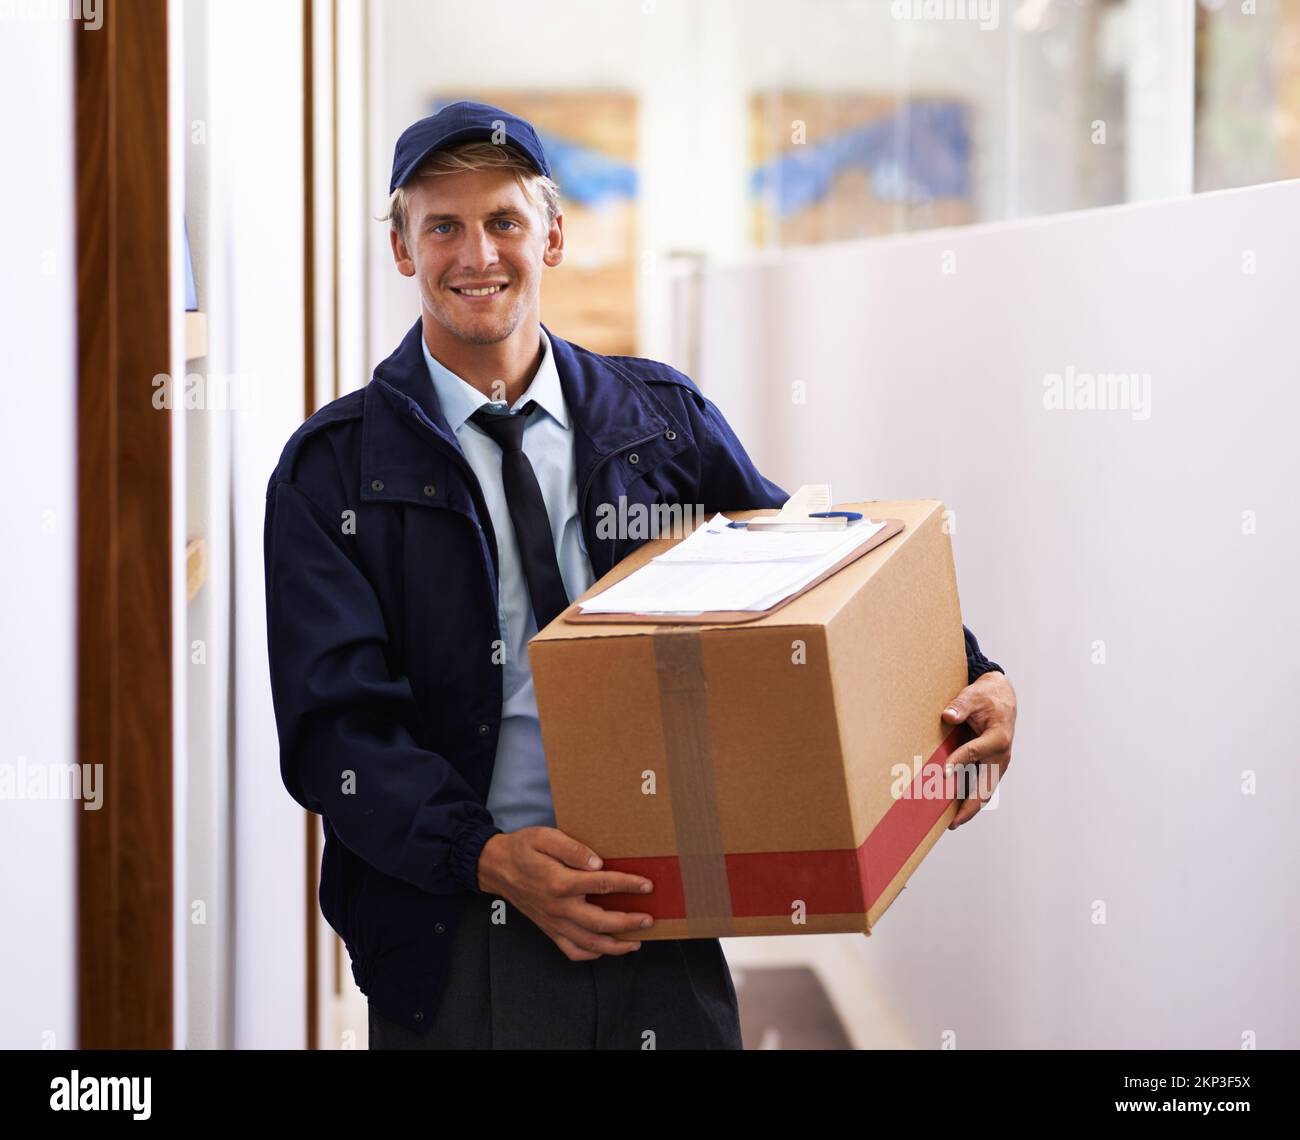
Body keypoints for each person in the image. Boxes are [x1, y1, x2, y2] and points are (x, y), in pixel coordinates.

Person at [262, 100, 1018, 1050]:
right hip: (453, 930)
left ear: (554, 236)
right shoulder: (331, 469)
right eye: (442, 226)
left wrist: (971, 671)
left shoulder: (658, 419)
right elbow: (333, 731)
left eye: (504, 221)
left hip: (661, 897)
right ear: (403, 249)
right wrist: (488, 858)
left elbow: (812, 571)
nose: (477, 254)